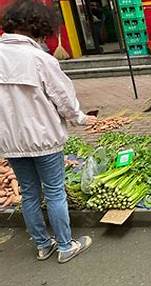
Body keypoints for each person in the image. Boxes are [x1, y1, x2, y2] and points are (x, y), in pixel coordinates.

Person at [0, 0, 96, 263]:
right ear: (38, 27)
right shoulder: (40, 59)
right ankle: (66, 246)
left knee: (29, 193)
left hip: (10, 141)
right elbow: (63, 99)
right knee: (54, 191)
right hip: (43, 139)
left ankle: (43, 245)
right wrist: (80, 118)